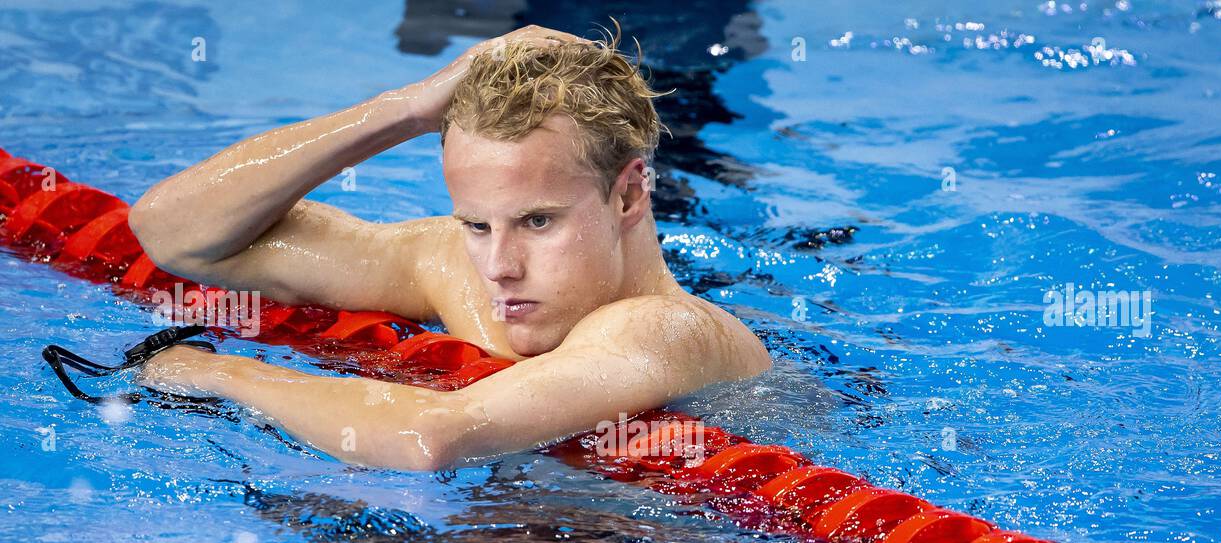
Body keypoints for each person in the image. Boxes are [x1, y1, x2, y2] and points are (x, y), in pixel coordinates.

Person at [128, 23, 771, 471]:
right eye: (477, 225)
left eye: (538, 222)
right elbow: (176, 238)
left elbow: (428, 440)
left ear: (629, 197)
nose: (499, 267)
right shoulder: (450, 266)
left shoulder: (663, 329)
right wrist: (405, 108)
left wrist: (211, 371)